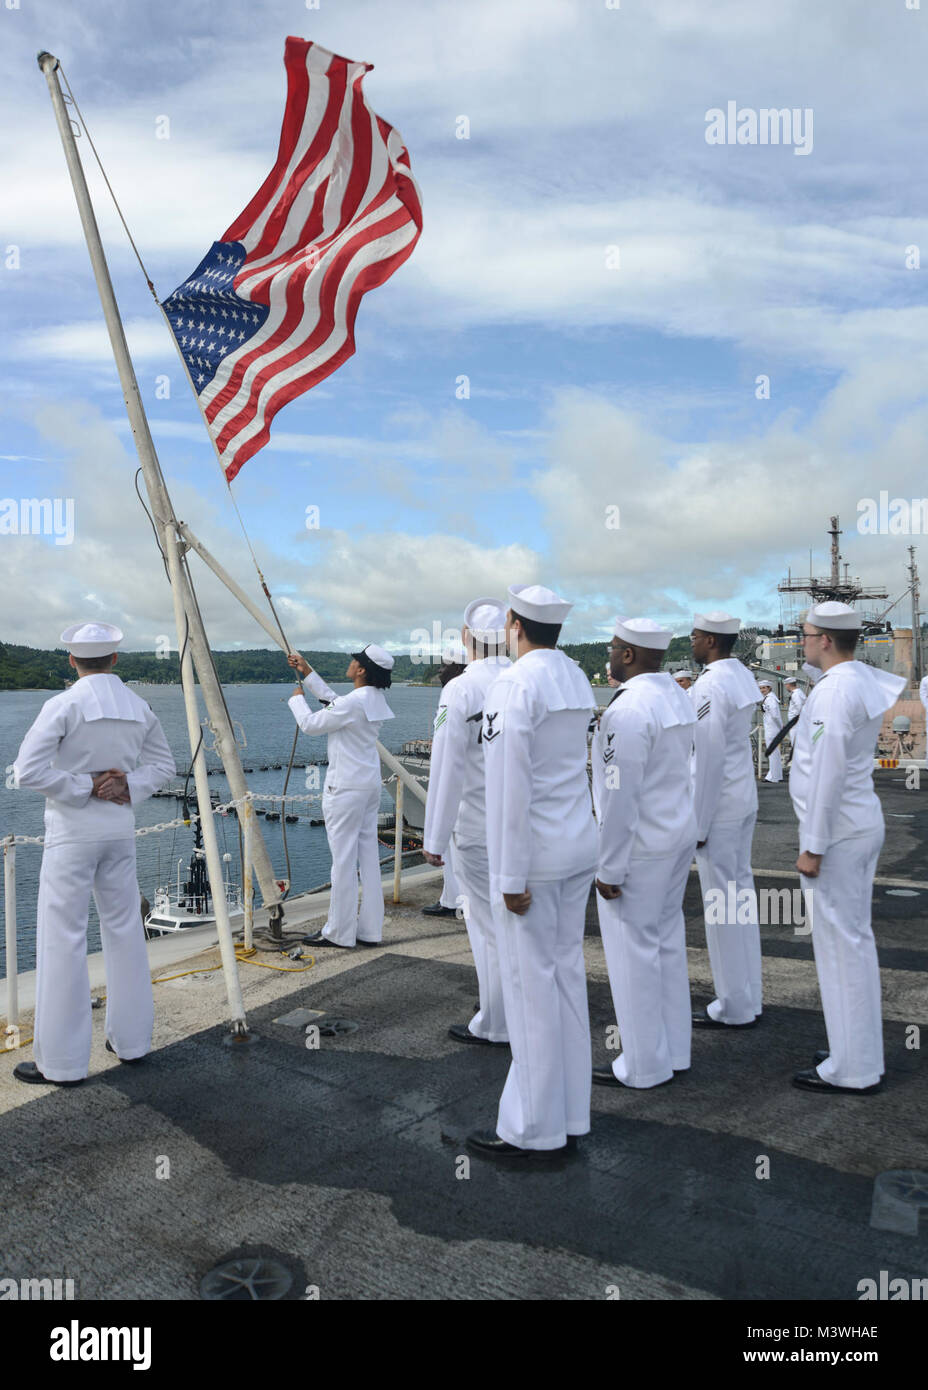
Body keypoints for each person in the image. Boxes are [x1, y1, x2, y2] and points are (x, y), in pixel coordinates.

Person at [11, 622, 175, 1085]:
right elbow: (163, 765)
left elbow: (27, 771)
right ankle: (132, 1041)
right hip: (119, 831)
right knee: (124, 930)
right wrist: (127, 786)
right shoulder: (138, 706)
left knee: (63, 937)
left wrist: (83, 786)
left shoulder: (63, 704)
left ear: (72, 659)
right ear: (115, 659)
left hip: (72, 832)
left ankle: (61, 1063)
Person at [466, 584, 597, 1162]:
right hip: (577, 848)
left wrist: (510, 875)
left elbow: (508, 785)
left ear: (514, 624)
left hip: (534, 861)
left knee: (529, 990)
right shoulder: (574, 676)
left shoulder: (514, 685)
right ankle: (572, 1111)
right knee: (567, 977)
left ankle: (533, 1127)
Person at [789, 602, 905, 1094]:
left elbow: (828, 770)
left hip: (836, 834)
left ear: (826, 641)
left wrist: (813, 846)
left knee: (841, 949)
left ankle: (852, 1068)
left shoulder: (834, 692)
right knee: (851, 943)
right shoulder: (857, 679)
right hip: (856, 825)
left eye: (806, 633)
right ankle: (853, 1049)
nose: (802, 641)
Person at [592, 619, 697, 1089]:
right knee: (667, 946)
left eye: (614, 648)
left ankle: (642, 1065)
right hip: (675, 836)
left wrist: (609, 865)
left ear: (629, 655)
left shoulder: (630, 708)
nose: (610, 655)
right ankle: (674, 1050)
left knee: (632, 954)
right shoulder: (674, 694)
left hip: (639, 848)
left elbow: (619, 794)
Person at [422, 601, 512, 1046]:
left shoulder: (459, 689)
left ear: (465, 637)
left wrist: (434, 836)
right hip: (525, 826)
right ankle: (512, 1004)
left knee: (485, 923)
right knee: (517, 922)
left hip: (476, 826)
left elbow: (446, 767)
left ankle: (496, 1020)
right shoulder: (522, 680)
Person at [288, 645, 395, 948]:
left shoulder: (354, 702)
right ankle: (370, 930)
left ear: (361, 670)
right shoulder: (371, 699)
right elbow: (336, 703)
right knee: (369, 861)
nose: (350, 663)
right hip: (368, 787)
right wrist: (307, 672)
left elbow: (310, 725)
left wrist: (297, 701)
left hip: (345, 790)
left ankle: (338, 932)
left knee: (343, 862)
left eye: (354, 660)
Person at [689, 611, 763, 1028]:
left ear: (712, 641)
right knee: (740, 902)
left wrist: (697, 825)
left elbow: (707, 758)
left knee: (722, 907)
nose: (692, 642)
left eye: (696, 636)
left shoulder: (712, 683)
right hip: (742, 798)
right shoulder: (741, 676)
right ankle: (748, 995)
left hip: (717, 807)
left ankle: (733, 1005)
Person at [422, 642, 468, 920]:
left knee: (459, 847)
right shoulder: (456, 693)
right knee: (453, 848)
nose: (439, 670)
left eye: (444, 664)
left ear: (459, 668)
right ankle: (451, 898)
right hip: (463, 786)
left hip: (461, 787)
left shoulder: (456, 693)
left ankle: (460, 902)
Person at [758, 678, 783, 783]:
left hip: (772, 729)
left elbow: (775, 716)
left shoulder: (770, 699)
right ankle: (776, 775)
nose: (762, 690)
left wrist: (781, 727)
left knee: (772, 753)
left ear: (769, 688)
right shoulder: (768, 698)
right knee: (774, 753)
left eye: (764, 688)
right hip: (771, 728)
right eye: (760, 688)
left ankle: (773, 776)